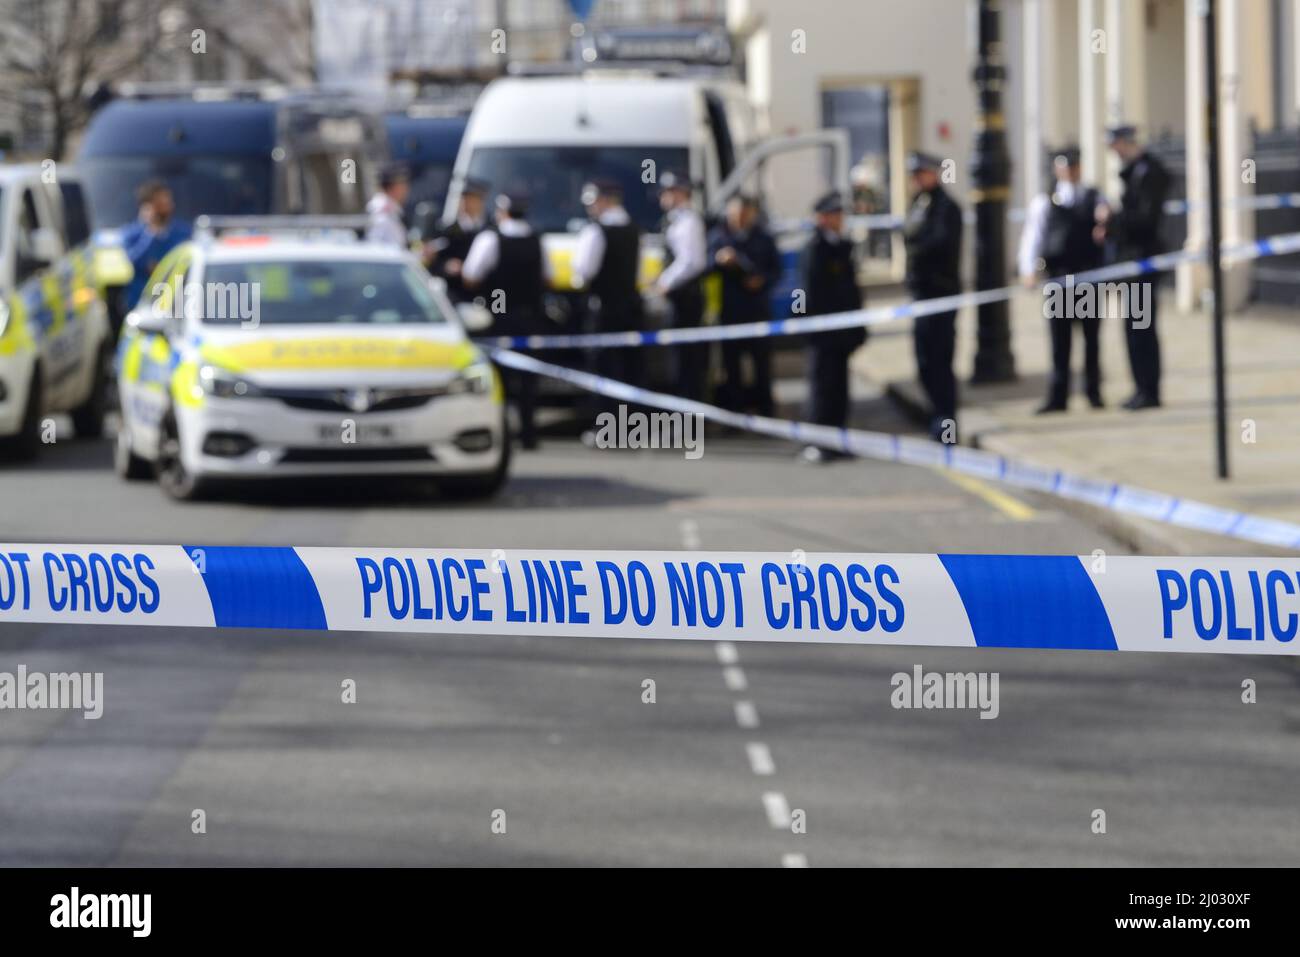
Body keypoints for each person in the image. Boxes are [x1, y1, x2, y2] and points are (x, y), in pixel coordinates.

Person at [1018, 146, 1108, 413]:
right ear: (1057, 169)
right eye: (1065, 166)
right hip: (1058, 278)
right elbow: (1033, 236)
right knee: (1060, 340)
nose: (1070, 171)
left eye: (1074, 166)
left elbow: (1108, 229)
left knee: (1091, 339)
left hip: (1089, 276)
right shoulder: (1046, 200)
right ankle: (1058, 396)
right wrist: (1028, 269)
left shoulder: (1095, 197)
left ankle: (1094, 392)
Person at [462, 190, 546, 450]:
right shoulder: (536, 240)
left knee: (500, 378)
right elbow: (548, 277)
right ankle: (529, 434)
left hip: (499, 317)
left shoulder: (490, 239)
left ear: (502, 212)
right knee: (528, 379)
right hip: (530, 317)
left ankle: (501, 432)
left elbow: (471, 275)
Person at [1099, 124, 1171, 410]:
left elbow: (1144, 220)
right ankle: (1140, 387)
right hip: (1130, 264)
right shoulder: (1135, 172)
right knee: (1132, 328)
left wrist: (1113, 220)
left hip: (1142, 263)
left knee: (1141, 328)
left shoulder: (1148, 173)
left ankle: (1148, 390)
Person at [799, 190, 865, 463]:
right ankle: (819, 443)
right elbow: (809, 295)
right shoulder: (815, 249)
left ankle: (838, 440)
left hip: (842, 333)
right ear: (822, 218)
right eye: (835, 215)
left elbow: (850, 290)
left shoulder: (841, 246)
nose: (840, 219)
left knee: (839, 389)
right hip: (823, 334)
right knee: (822, 389)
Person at [903, 150, 963, 443]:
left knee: (941, 361)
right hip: (920, 294)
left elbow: (936, 244)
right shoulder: (918, 203)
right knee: (924, 361)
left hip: (940, 294)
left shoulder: (947, 208)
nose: (915, 180)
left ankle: (947, 424)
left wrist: (915, 241)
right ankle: (935, 417)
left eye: (919, 174)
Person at [708, 193, 781, 416]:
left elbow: (775, 271)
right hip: (730, 311)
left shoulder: (764, 238)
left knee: (762, 364)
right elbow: (704, 265)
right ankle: (735, 412)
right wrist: (719, 260)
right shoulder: (718, 237)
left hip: (757, 310)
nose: (739, 219)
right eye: (734, 214)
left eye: (743, 214)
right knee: (732, 366)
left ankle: (765, 409)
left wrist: (762, 280)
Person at [573, 179, 643, 400]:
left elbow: (583, 272)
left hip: (603, 310)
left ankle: (605, 426)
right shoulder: (633, 228)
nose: (590, 208)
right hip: (631, 308)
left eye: (592, 202)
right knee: (631, 366)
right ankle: (633, 425)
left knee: (603, 366)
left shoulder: (595, 231)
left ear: (604, 200)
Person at [652, 171, 709, 401]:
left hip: (687, 298)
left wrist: (666, 281)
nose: (663, 197)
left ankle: (690, 418)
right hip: (682, 297)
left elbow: (692, 262)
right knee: (681, 358)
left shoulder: (688, 222)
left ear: (679, 193)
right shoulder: (677, 220)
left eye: (668, 191)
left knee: (687, 360)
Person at [121, 180, 191, 310]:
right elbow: (134, 260)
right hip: (141, 302)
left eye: (167, 202)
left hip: (175, 302)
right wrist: (151, 232)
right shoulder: (132, 233)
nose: (167, 206)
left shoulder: (183, 231)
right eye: (160, 204)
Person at [426, 177, 489, 303]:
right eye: (464, 198)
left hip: (486, 293)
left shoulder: (490, 230)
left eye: (472, 199)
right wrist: (446, 266)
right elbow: (433, 262)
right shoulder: (447, 231)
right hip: (457, 294)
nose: (466, 203)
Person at [365, 164, 410, 249]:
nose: (406, 189)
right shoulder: (383, 213)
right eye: (402, 185)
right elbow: (379, 250)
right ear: (392, 188)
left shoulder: (391, 211)